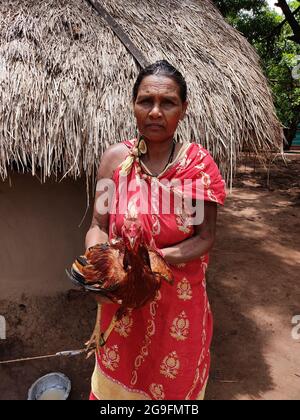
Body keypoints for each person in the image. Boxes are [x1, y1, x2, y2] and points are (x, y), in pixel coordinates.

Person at [84, 60, 226, 400]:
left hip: (178, 305)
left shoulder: (196, 168)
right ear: (134, 105)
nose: (155, 112)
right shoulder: (115, 162)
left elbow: (204, 238)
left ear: (183, 109)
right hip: (123, 303)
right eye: (146, 101)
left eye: (168, 103)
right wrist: (99, 268)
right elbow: (98, 226)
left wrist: (152, 260)